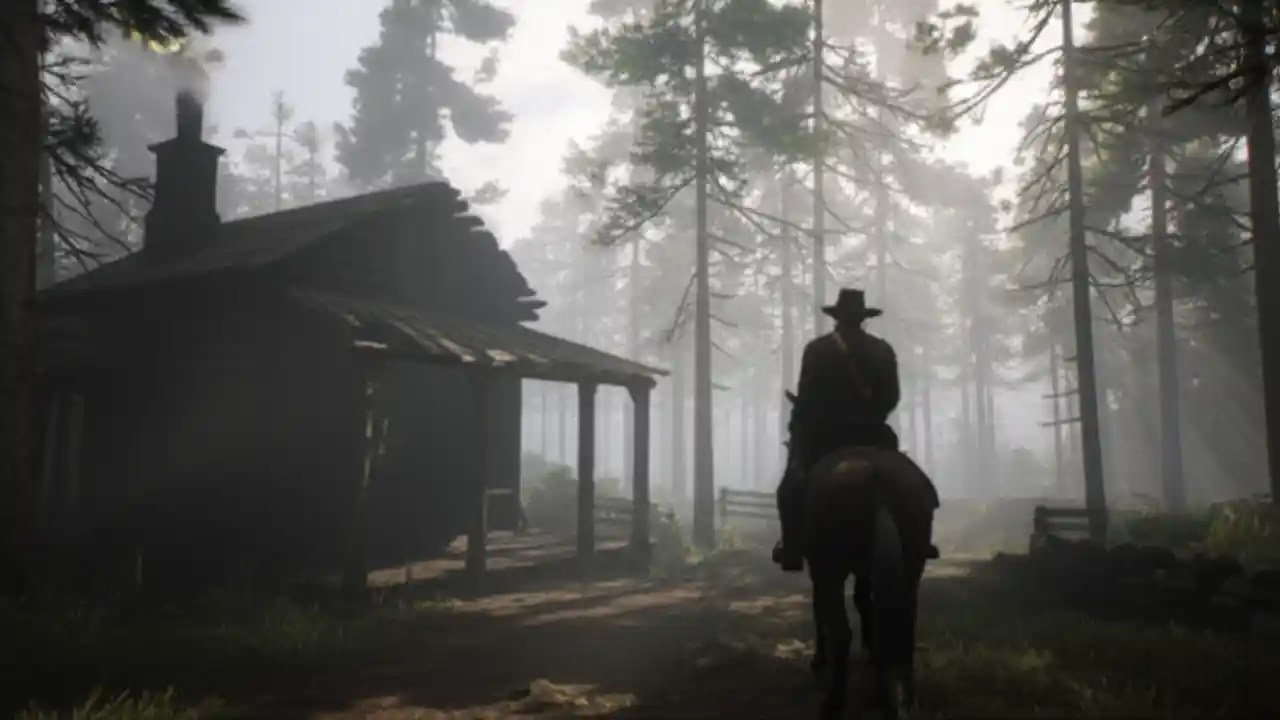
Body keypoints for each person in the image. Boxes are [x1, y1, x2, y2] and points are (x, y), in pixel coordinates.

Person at [773, 288, 902, 572]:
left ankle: (792, 547)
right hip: (874, 435)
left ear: (837, 318)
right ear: (863, 318)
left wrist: (803, 423)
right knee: (904, 474)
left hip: (825, 439)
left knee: (791, 487)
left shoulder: (817, 350)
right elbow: (892, 397)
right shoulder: (882, 350)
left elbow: (806, 399)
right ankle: (916, 538)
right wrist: (871, 414)